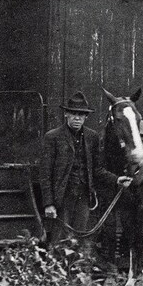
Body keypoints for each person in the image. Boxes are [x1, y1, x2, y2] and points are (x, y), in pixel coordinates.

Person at [40, 92, 132, 245]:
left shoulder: (92, 137)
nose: (77, 118)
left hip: (83, 196)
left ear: (86, 117)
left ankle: (77, 268)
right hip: (61, 199)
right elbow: (45, 174)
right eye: (74, 114)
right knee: (59, 240)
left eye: (81, 115)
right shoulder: (53, 137)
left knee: (81, 239)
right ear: (66, 115)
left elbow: (97, 170)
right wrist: (48, 204)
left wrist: (117, 180)